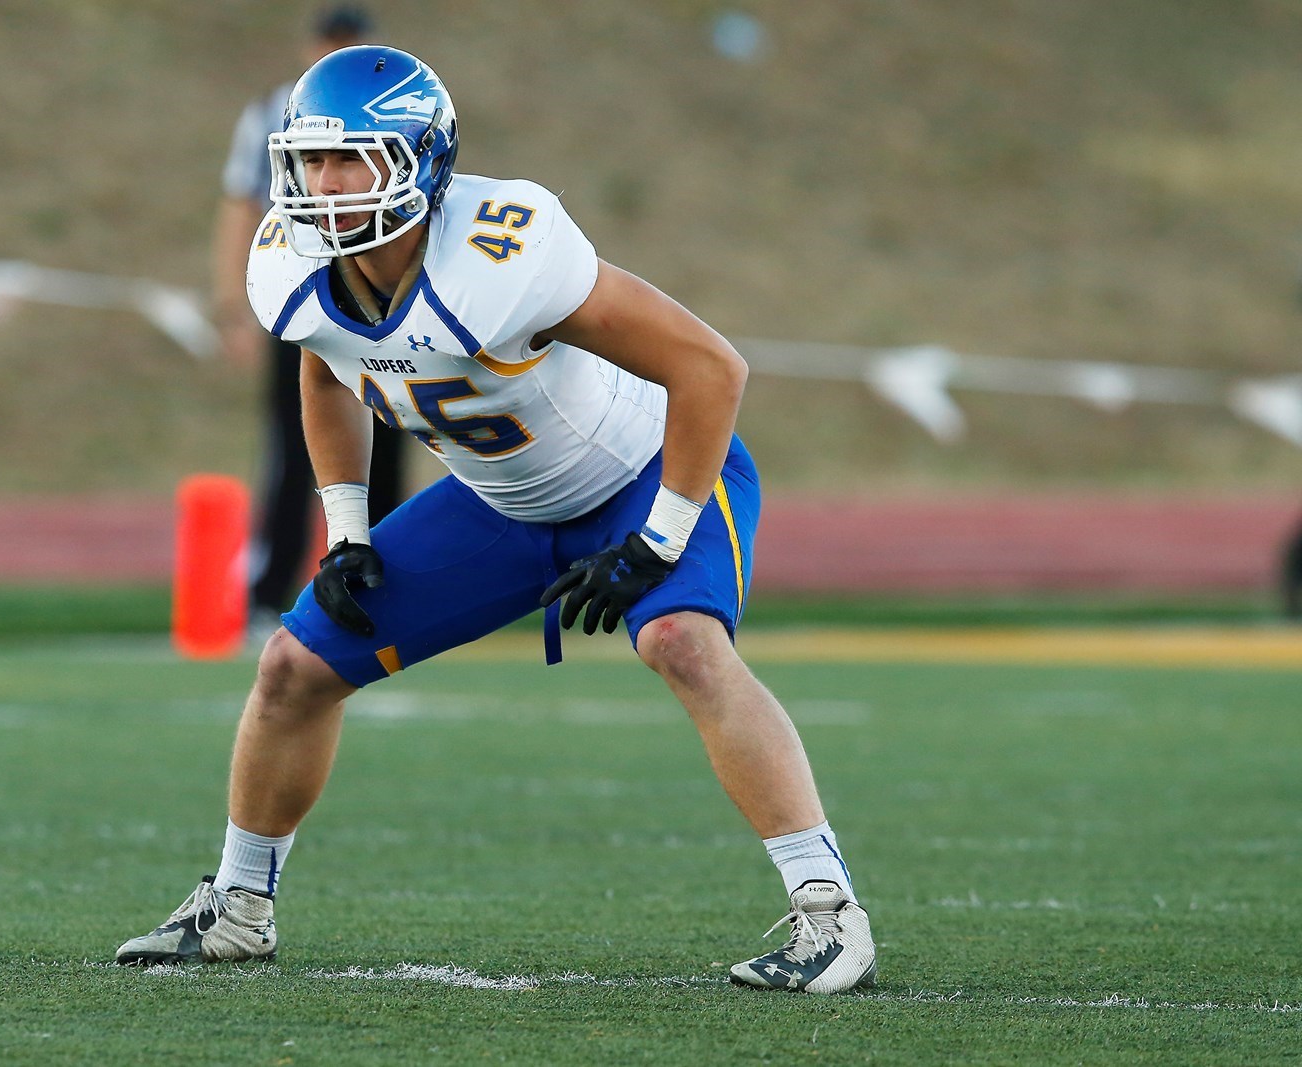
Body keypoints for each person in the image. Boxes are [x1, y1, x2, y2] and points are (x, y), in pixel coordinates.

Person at [116, 45, 876, 995]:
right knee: (292, 668)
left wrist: (660, 537)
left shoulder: (500, 251)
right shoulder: (298, 265)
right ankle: (237, 907)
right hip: (502, 502)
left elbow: (711, 368)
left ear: (421, 162)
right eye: (311, 160)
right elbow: (324, 363)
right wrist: (347, 528)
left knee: (682, 640)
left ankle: (828, 916)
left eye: (353, 157)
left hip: (648, 472)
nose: (324, 183)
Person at [213, 7, 405, 636]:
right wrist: (232, 300)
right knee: (294, 445)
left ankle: (390, 577)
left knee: (395, 435)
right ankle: (271, 590)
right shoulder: (273, 109)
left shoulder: (398, 107)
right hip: (309, 295)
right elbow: (244, 203)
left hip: (386, 293)